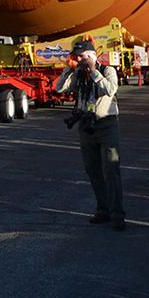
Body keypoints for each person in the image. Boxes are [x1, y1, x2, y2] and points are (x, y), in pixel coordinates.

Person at [55, 40, 125, 230]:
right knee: (93, 170)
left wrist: (93, 70)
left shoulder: (107, 70)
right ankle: (103, 209)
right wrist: (68, 69)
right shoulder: (78, 74)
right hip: (86, 125)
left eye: (82, 56)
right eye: (76, 57)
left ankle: (117, 214)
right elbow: (59, 88)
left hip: (106, 124)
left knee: (111, 169)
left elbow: (110, 89)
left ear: (92, 55)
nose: (79, 60)